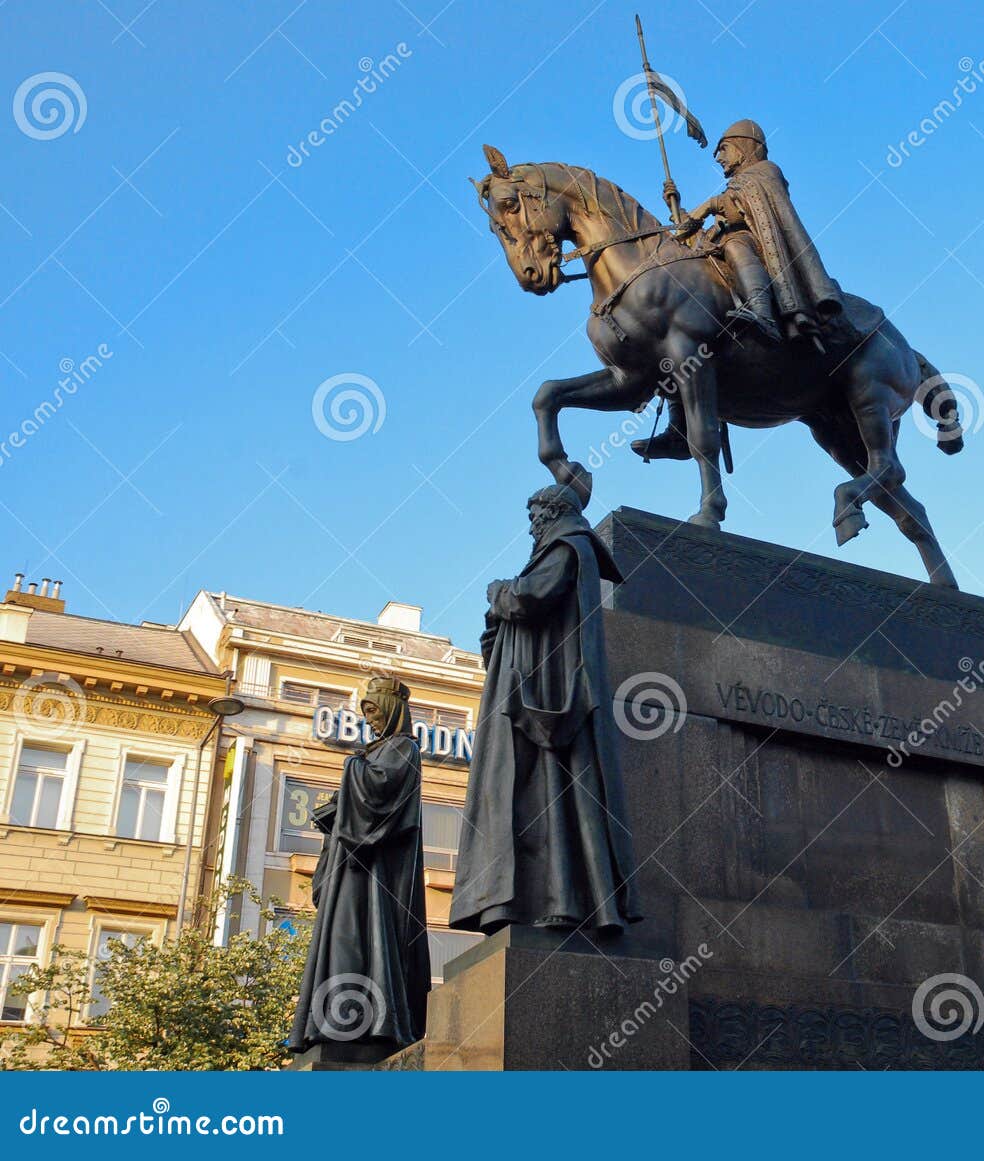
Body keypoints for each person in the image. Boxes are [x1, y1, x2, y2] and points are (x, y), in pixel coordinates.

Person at [450, 486, 642, 935]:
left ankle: (567, 899)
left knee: (556, 792)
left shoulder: (568, 548)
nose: (532, 525)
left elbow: (528, 599)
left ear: (555, 513)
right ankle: (533, 899)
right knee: (536, 796)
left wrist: (497, 591)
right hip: (533, 690)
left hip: (552, 695)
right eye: (532, 517)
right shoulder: (562, 549)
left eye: (536, 516)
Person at [633, 119, 845, 462]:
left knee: (736, 244)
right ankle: (678, 430)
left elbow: (739, 207)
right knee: (675, 327)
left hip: (759, 249)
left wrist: (710, 206)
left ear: (745, 146)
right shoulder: (734, 187)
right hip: (716, 252)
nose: (718, 158)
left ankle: (763, 313)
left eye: (724, 150)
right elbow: (694, 234)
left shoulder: (765, 173)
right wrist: (679, 209)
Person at [288, 675, 430, 1056]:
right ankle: (334, 1019)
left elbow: (379, 794)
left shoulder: (404, 749)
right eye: (365, 712)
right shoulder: (377, 751)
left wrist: (352, 768)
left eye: (373, 711)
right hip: (350, 864)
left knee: (360, 936)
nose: (369, 720)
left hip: (374, 872)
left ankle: (367, 1022)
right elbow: (361, 797)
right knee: (340, 937)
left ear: (392, 708)